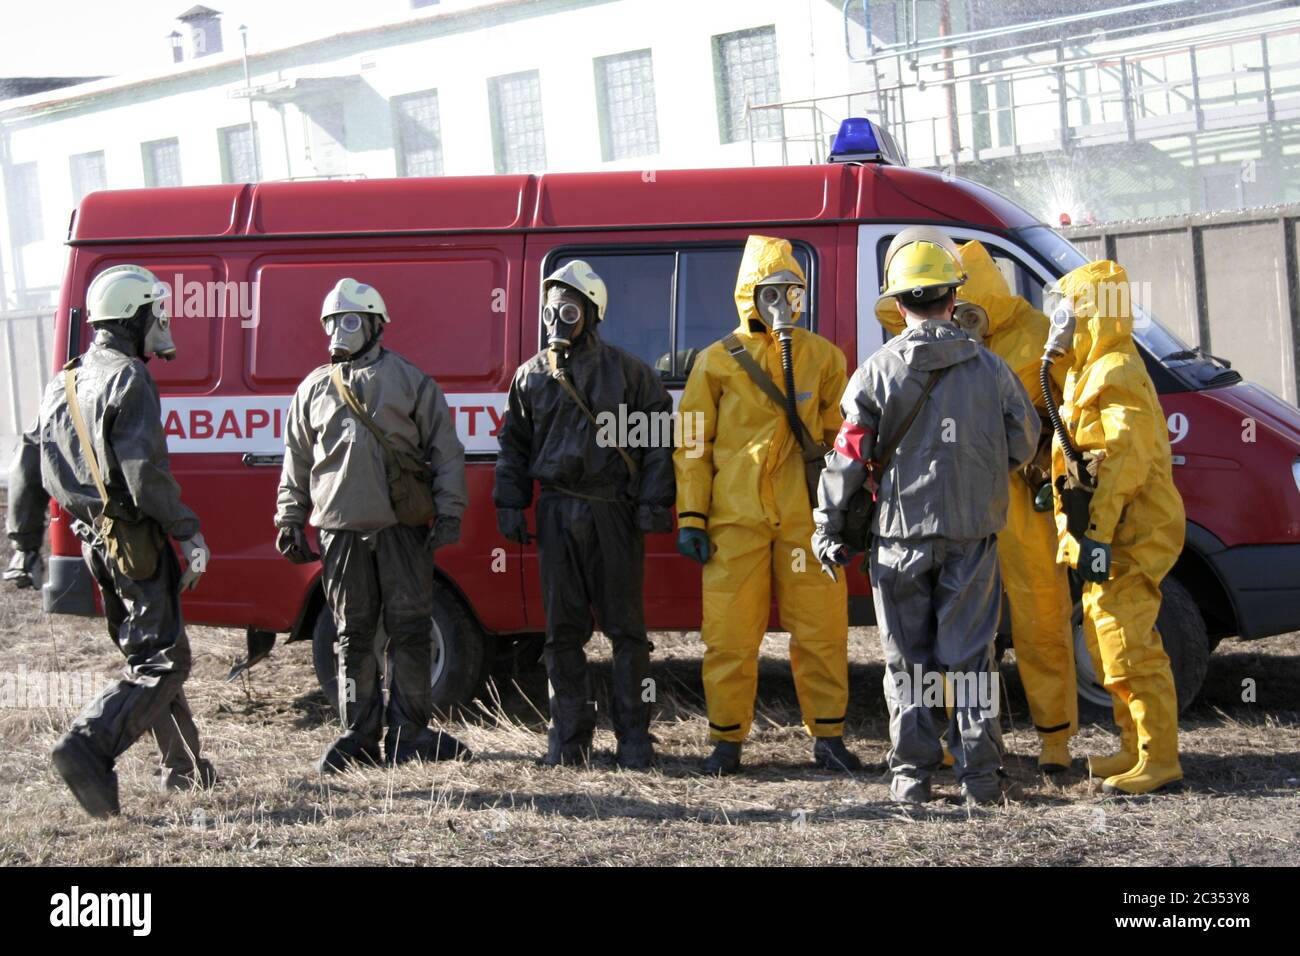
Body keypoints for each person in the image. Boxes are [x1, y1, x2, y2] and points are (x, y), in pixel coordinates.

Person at [814, 229, 1038, 805]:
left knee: (906, 663)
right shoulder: (991, 369)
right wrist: (978, 472)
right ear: (952, 297)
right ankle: (980, 779)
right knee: (971, 661)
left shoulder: (874, 373)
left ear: (899, 301)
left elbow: (847, 456)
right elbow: (1025, 441)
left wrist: (827, 523)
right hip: (972, 535)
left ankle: (912, 777)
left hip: (897, 540)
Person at [5, 264, 213, 818]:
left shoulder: (65, 380)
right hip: (136, 540)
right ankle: (89, 745)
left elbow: (26, 465)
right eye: (154, 312)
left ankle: (186, 769)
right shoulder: (128, 377)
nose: (161, 322)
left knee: (151, 652)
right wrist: (188, 531)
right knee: (163, 662)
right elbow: (144, 473)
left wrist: (22, 542)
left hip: (96, 542)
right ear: (134, 317)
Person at [875, 238, 1079, 773]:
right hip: (973, 509)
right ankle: (963, 749)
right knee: (957, 639)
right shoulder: (964, 354)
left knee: (1041, 618)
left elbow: (1070, 412)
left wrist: (1041, 460)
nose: (964, 320)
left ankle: (1053, 739)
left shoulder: (1033, 337)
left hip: (1018, 501)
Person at [674, 234, 859, 776]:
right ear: (748, 294)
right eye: (770, 290)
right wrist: (691, 515)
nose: (781, 302)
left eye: (790, 291)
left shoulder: (824, 357)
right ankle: (726, 742)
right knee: (729, 634)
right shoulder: (714, 363)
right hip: (735, 521)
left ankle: (829, 738)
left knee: (822, 631)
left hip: (808, 520)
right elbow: (691, 444)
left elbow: (840, 437)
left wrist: (843, 512)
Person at [276, 278, 469, 773]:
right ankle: (358, 734)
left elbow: (445, 449)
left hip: (400, 529)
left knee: (409, 630)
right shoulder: (313, 389)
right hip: (339, 533)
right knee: (352, 635)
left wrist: (450, 510)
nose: (340, 331)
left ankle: (411, 733)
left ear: (374, 325)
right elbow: (296, 462)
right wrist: (289, 517)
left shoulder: (409, 380)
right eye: (333, 322)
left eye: (351, 320)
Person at [493, 260, 675, 769]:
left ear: (591, 313)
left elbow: (660, 444)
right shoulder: (530, 377)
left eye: (569, 308)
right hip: (556, 510)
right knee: (562, 632)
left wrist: (654, 503)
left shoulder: (630, 373)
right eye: (552, 309)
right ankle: (569, 739)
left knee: (627, 632)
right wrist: (510, 501)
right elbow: (513, 444)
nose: (558, 318)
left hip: (611, 510)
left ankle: (634, 738)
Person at [1042, 260, 1185, 795]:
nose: (1061, 321)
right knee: (1106, 641)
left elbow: (1125, 461)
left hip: (1132, 532)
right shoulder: (1089, 368)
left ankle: (1159, 757)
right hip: (1109, 531)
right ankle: (1133, 747)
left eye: (1070, 311)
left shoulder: (1118, 369)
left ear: (1092, 314)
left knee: (1129, 641)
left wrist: (1096, 532)